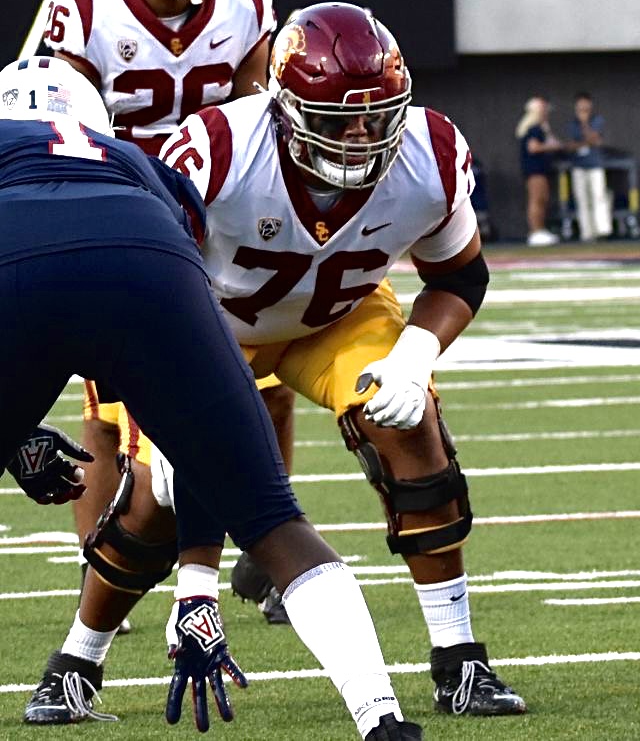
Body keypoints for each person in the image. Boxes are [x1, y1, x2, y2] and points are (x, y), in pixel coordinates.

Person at [28, 5, 526, 721]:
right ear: (285, 108)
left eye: (375, 117)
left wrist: (415, 358)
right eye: (336, 120)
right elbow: (143, 274)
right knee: (154, 500)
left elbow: (459, 277)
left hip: (336, 316)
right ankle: (77, 661)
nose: (360, 138)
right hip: (194, 325)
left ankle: (461, 660)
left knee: (413, 431)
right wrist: (195, 575)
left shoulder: (432, 150)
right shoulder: (219, 147)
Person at [0, 58, 418, 741]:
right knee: (275, 520)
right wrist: (195, 580)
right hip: (147, 253)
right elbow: (163, 305)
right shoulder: (134, 158)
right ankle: (384, 722)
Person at [33, 0, 299, 630]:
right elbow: (61, 117)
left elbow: (268, 107)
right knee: (113, 395)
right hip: (124, 208)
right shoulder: (81, 9)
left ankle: (267, 540)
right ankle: (102, 562)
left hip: (219, 210)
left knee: (264, 383)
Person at [567, 91, 609, 241]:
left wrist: (585, 124)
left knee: (599, 196)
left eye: (586, 104)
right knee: (582, 199)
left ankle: (602, 231)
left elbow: (595, 138)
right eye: (580, 104)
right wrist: (586, 142)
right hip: (579, 165)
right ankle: (587, 233)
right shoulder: (572, 123)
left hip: (595, 164)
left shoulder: (597, 120)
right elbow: (570, 146)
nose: (583, 107)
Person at [516, 96, 558, 245]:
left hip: (539, 169)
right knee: (536, 200)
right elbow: (533, 147)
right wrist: (552, 146)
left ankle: (540, 229)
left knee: (542, 199)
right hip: (535, 169)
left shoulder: (540, 128)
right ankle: (535, 231)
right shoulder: (534, 128)